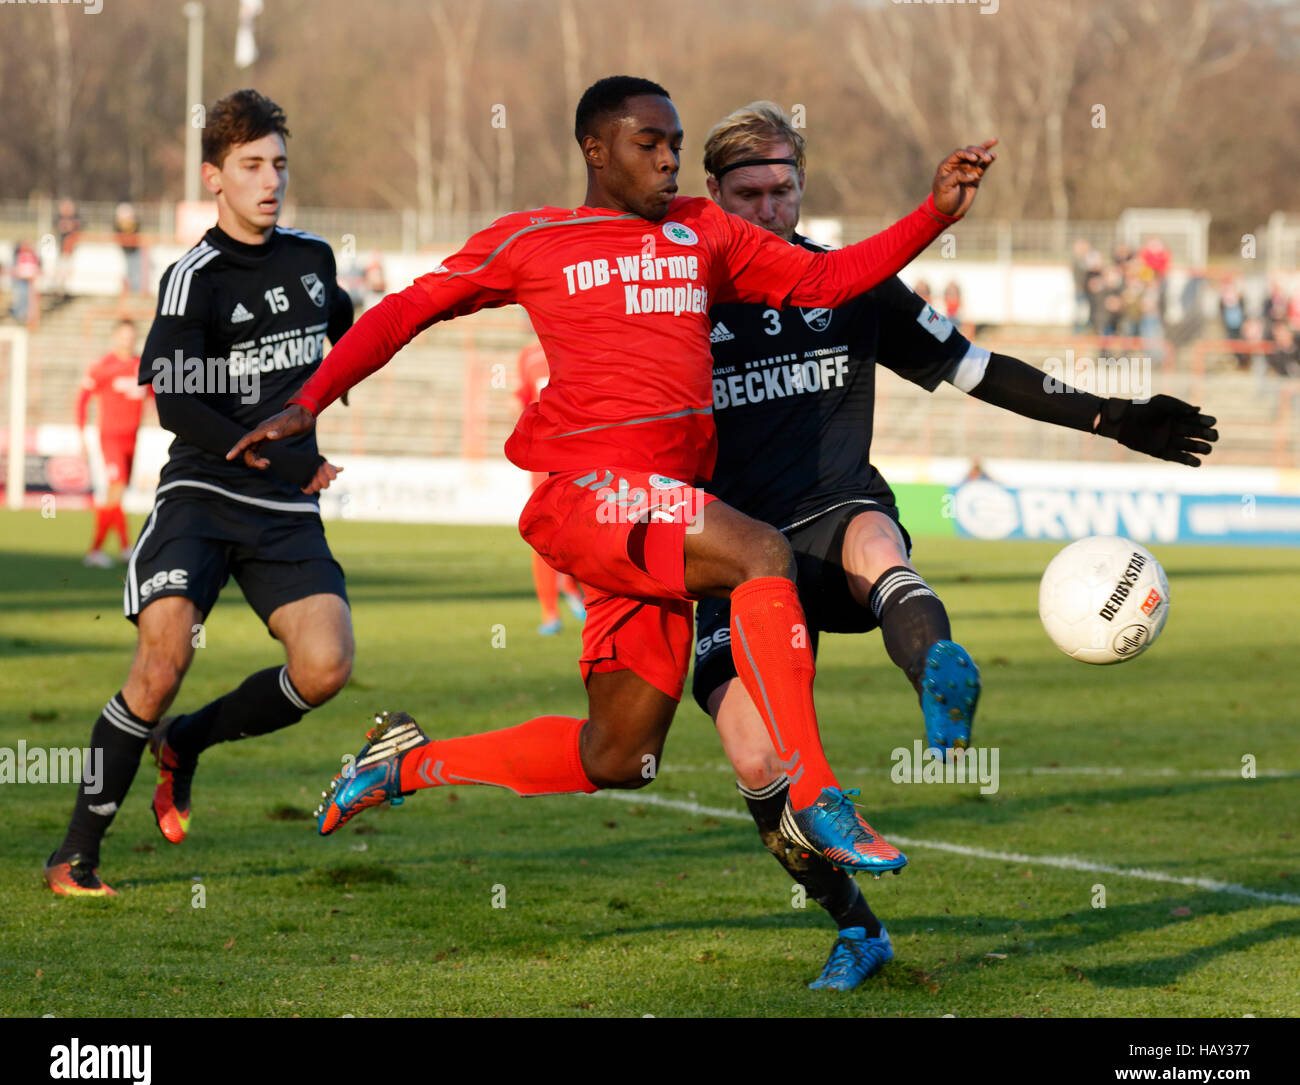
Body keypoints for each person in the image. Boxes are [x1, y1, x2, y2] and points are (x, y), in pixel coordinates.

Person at [228, 76, 997, 880]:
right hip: (590, 491)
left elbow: (831, 282)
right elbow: (405, 310)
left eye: (674, 144)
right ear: (596, 151)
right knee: (761, 554)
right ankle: (817, 792)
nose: (669, 160)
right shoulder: (532, 241)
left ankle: (400, 765)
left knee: (620, 754)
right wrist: (308, 400)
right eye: (649, 144)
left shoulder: (704, 232)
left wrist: (934, 214)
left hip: (666, 513)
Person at [691, 102, 1219, 990]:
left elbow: (978, 371)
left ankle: (941, 673)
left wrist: (1114, 416)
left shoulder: (849, 282)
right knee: (755, 760)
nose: (770, 209)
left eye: (785, 189)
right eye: (750, 193)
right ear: (713, 193)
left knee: (875, 545)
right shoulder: (678, 302)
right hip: (729, 546)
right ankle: (856, 929)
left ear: (803, 187)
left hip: (831, 508)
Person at [43, 89, 356, 896]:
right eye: (252, 165)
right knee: (162, 658)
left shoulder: (314, 259)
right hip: (204, 493)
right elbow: (176, 399)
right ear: (215, 177)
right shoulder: (194, 276)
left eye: (279, 164)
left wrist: (335, 387)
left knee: (326, 668)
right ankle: (74, 854)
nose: (270, 180)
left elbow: (347, 328)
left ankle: (184, 743)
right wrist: (256, 449)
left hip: (286, 511)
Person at [515, 337, 586, 634]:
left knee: (584, 528)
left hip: (581, 451)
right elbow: (519, 402)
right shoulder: (529, 355)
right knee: (543, 532)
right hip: (545, 456)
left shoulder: (580, 345)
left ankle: (571, 586)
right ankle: (550, 612)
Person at [76, 319, 149, 567]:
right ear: (115, 337)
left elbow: (155, 395)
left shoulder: (142, 366)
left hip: (132, 438)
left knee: (116, 495)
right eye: (122, 336)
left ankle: (123, 547)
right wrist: (81, 435)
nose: (127, 340)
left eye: (131, 336)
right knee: (115, 488)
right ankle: (98, 550)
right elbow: (82, 400)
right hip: (110, 437)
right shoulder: (103, 367)